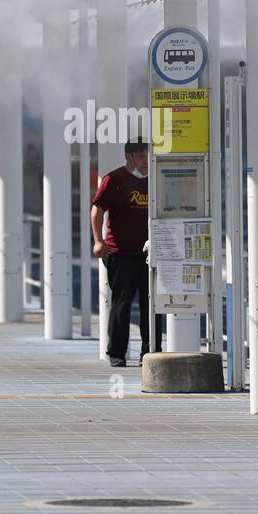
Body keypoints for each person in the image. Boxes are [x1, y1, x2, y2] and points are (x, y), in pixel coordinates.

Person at [90, 140, 162, 366]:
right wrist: (98, 241)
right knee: (122, 303)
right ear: (129, 157)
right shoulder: (114, 179)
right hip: (120, 253)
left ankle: (150, 352)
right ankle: (117, 353)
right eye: (141, 157)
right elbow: (97, 210)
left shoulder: (156, 179)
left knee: (152, 304)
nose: (145, 161)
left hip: (150, 253)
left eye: (147, 156)